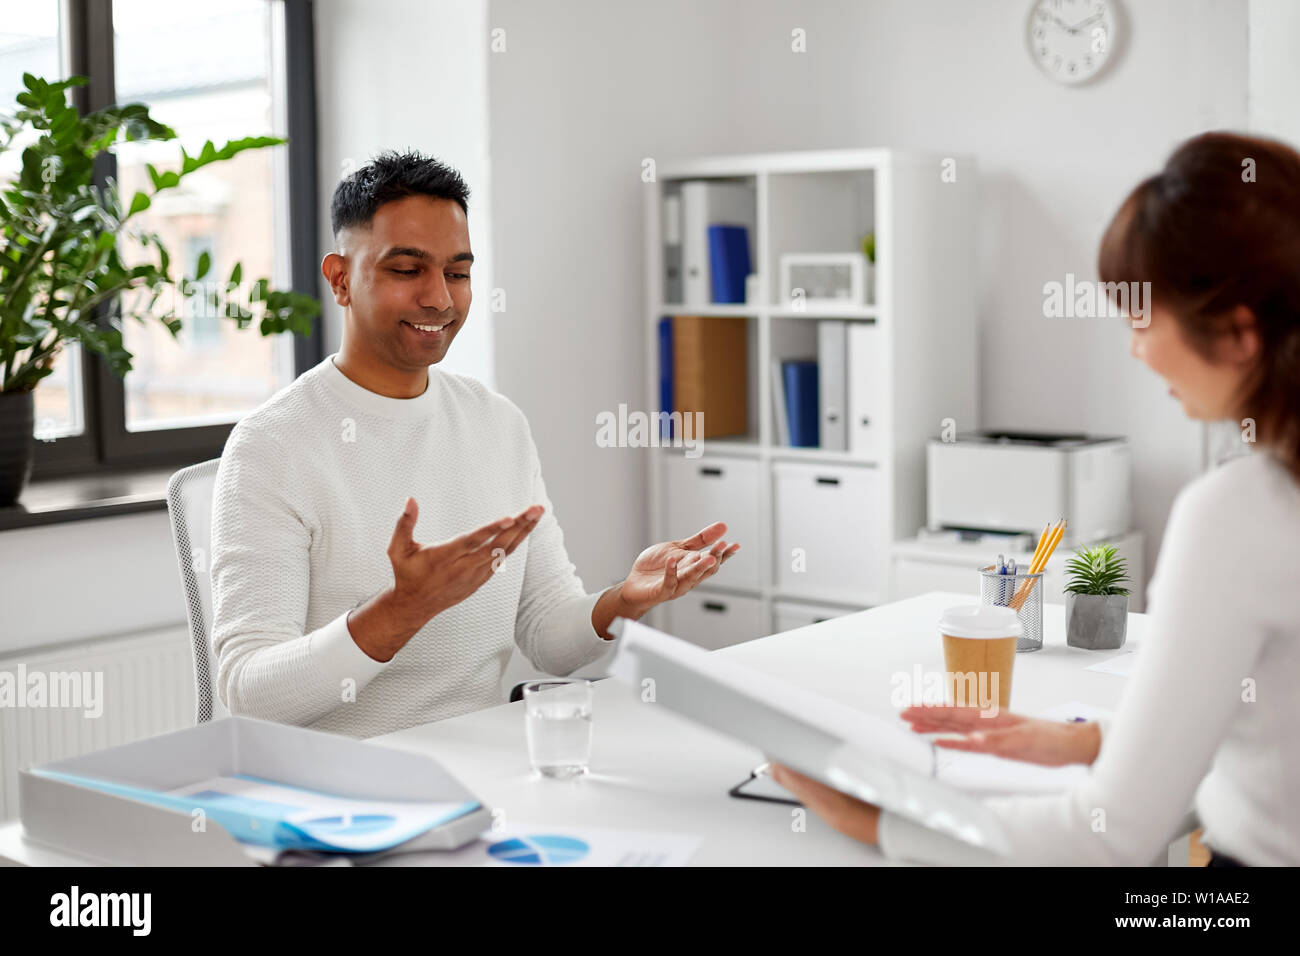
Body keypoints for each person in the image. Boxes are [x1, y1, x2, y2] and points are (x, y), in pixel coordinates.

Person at [772, 131, 1300, 866]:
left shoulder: (1239, 512)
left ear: (1240, 333)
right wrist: (1094, 743)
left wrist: (876, 821)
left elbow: (1108, 839)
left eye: (1141, 319)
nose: (1135, 350)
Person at [209, 151, 739, 739]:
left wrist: (620, 601)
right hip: (342, 796)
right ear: (340, 279)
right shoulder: (272, 447)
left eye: (457, 273)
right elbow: (250, 693)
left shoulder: (497, 424)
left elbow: (546, 635)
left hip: (487, 766)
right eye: (407, 271)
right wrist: (402, 610)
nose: (439, 298)